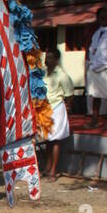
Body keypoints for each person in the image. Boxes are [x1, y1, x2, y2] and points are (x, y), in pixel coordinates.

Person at [41, 46, 74, 181]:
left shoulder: (62, 75)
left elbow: (70, 94)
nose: (47, 60)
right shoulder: (43, 73)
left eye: (50, 58)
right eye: (46, 57)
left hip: (57, 108)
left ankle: (53, 170)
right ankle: (47, 167)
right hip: (45, 109)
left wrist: (67, 107)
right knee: (48, 140)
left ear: (56, 60)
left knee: (56, 141)